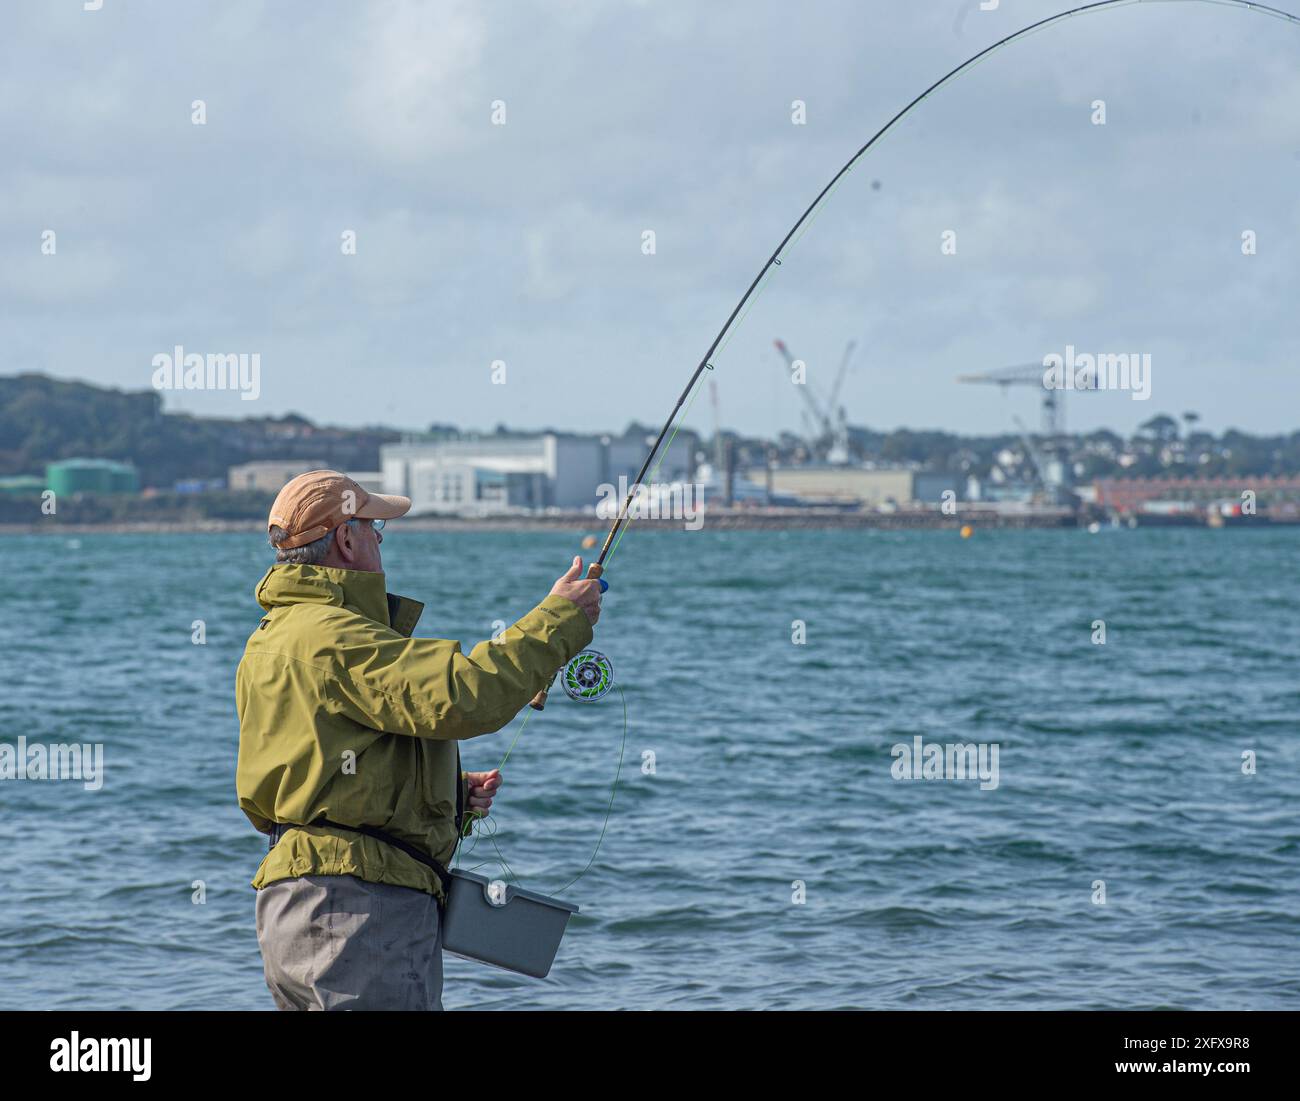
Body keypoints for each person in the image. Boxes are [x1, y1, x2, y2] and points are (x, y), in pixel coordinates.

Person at [235, 469, 602, 1010]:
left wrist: (443, 793)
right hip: (356, 907)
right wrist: (559, 621)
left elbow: (324, 766)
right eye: (374, 525)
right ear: (346, 538)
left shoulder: (272, 638)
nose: (380, 537)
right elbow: (464, 693)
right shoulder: (332, 636)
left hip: (301, 903)